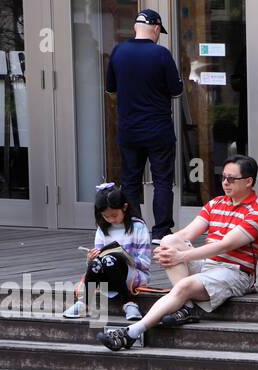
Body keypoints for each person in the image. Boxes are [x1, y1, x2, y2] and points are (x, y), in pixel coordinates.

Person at [96, 154, 258, 350]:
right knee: (169, 240)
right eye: (223, 177)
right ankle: (187, 307)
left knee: (184, 284)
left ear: (248, 181)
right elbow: (186, 234)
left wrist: (181, 256)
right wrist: (166, 248)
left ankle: (131, 332)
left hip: (235, 272)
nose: (225, 182)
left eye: (231, 178)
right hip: (209, 265)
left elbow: (224, 246)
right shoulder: (216, 203)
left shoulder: (257, 213)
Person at [106, 9, 183, 240]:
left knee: (130, 181)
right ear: (156, 29)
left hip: (129, 130)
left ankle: (134, 229)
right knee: (162, 181)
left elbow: (111, 89)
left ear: (135, 28)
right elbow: (176, 90)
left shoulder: (118, 52)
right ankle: (161, 231)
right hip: (158, 129)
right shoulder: (161, 54)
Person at [63, 184, 152, 322]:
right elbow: (100, 256)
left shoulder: (138, 227)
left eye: (114, 215)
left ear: (125, 207)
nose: (111, 220)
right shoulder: (102, 229)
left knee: (110, 260)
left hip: (133, 274)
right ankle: (84, 303)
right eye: (106, 217)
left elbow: (145, 262)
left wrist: (125, 259)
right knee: (97, 263)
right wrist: (91, 258)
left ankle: (129, 302)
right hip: (108, 274)